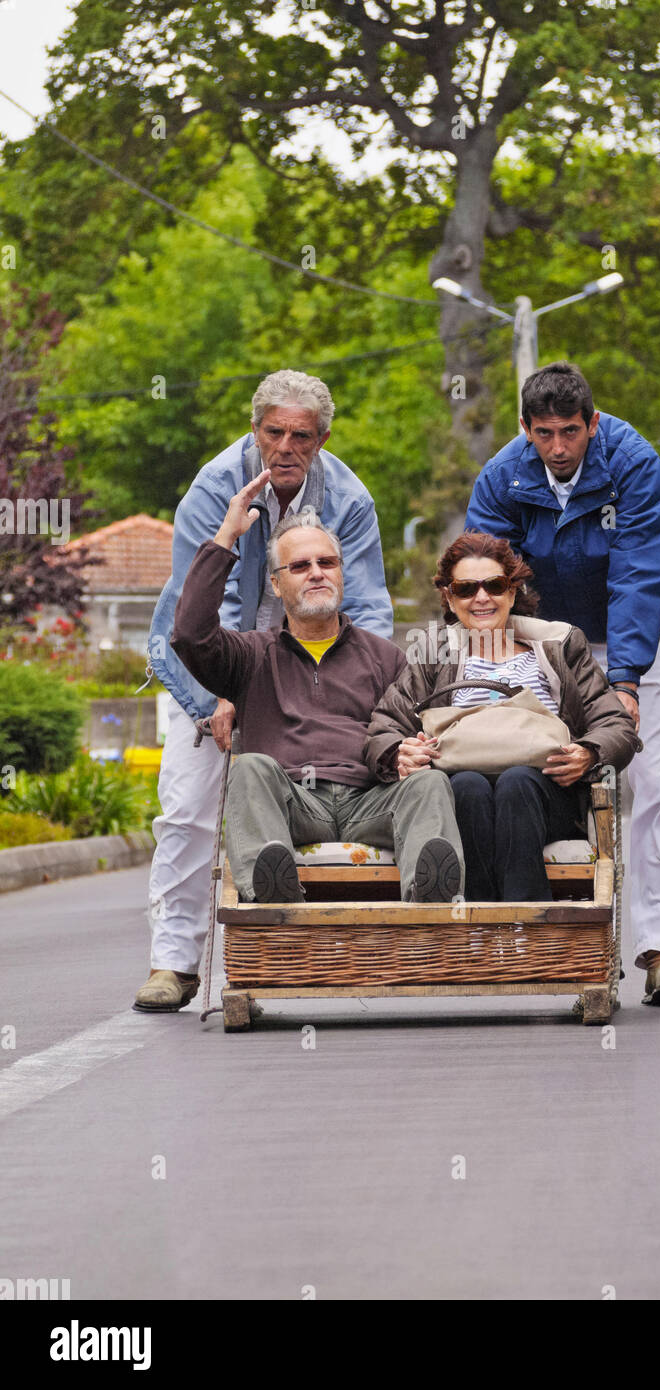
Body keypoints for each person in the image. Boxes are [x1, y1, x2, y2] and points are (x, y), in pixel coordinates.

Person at [136, 370, 392, 1012]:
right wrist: (220, 696)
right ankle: (174, 964)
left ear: (322, 439)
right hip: (209, 661)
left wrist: (374, 695)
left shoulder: (351, 499)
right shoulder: (213, 487)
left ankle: (296, 950)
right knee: (190, 809)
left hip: (308, 672)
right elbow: (204, 603)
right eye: (273, 432)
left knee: (322, 791)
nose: (285, 447)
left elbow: (366, 604)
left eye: (300, 436)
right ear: (255, 431)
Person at [465, 361, 660, 1005]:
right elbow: (490, 583)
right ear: (525, 429)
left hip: (652, 633)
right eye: (545, 433)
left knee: (657, 783)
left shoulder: (636, 464)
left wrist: (624, 680)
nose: (559, 447)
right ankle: (565, 947)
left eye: (571, 431)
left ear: (593, 424)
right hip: (553, 637)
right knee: (551, 773)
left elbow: (639, 577)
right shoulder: (501, 478)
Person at [168, 475, 464, 908]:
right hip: (292, 802)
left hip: (371, 800)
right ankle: (274, 898)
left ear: (342, 573)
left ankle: (430, 903)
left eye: (327, 563)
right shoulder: (250, 654)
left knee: (431, 783)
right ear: (275, 583)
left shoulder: (386, 657)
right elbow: (190, 636)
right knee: (248, 768)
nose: (317, 573)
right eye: (300, 566)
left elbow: (408, 734)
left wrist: (411, 751)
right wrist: (226, 537)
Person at [365, 531, 639, 901]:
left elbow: (616, 725)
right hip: (462, 787)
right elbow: (383, 727)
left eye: (494, 585)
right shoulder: (434, 652)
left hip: (545, 792)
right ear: (448, 596)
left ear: (513, 591)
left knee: (516, 783)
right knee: (468, 787)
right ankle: (477, 928)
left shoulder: (559, 646)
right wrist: (399, 752)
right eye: (465, 589)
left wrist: (589, 753)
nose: (481, 598)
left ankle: (524, 930)